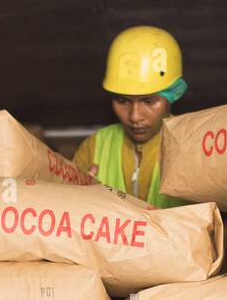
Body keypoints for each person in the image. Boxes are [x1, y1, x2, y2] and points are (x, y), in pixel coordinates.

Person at [74, 25, 188, 206]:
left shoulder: (193, 147)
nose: (135, 116)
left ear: (172, 95)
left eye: (148, 101)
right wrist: (78, 197)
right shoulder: (94, 148)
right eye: (123, 101)